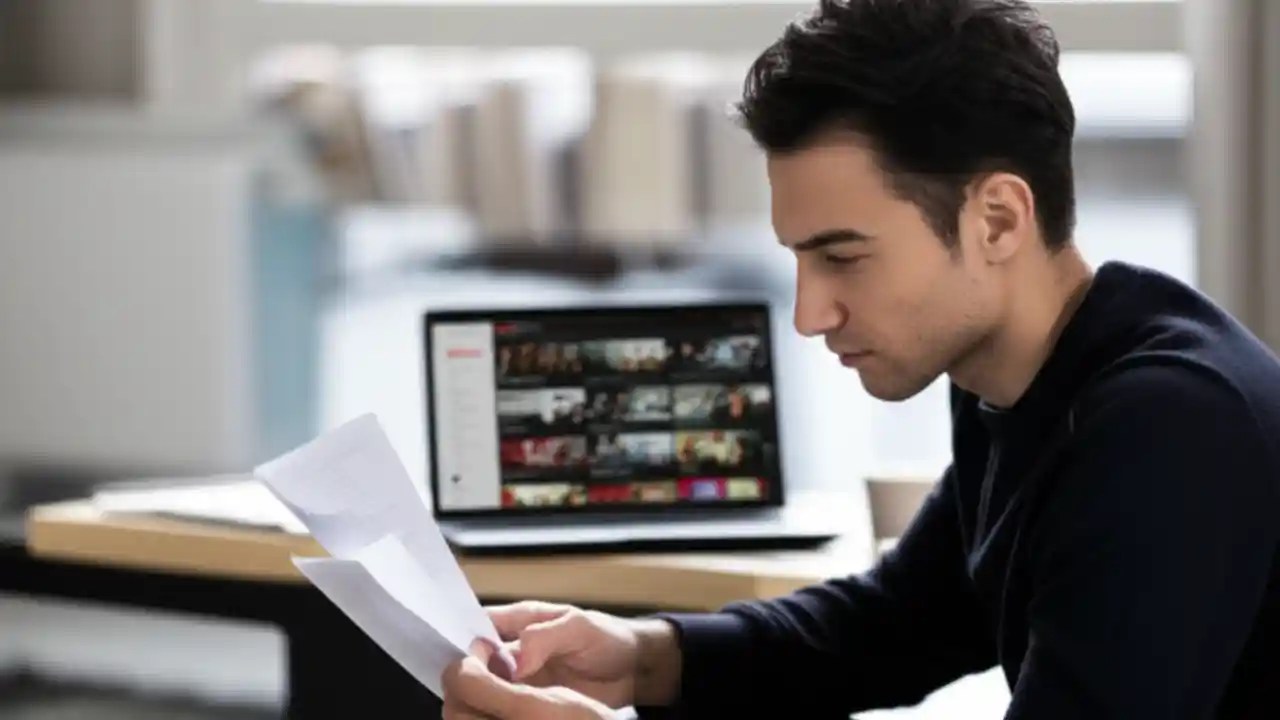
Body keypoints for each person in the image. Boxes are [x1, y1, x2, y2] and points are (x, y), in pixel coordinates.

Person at [442, 0, 1280, 717]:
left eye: (842, 257)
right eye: (800, 260)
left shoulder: (1167, 428)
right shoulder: (1017, 377)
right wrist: (640, 658)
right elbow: (897, 622)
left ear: (996, 221)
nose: (810, 315)